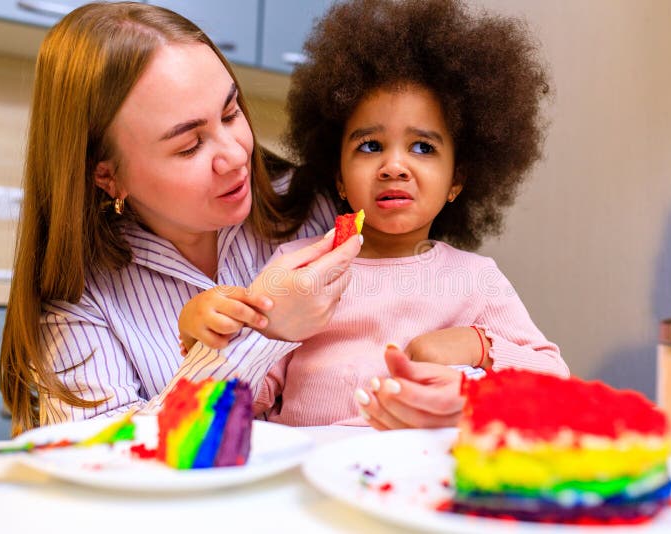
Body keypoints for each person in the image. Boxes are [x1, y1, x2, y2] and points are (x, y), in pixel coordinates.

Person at [179, 0, 569, 428]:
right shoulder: (302, 267)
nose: (394, 166)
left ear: (457, 179)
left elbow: (556, 381)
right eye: (370, 146)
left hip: (417, 480)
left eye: (423, 147)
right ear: (339, 177)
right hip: (308, 478)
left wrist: (479, 345)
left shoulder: (476, 280)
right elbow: (240, 404)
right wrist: (214, 337)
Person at [0, 2, 362, 436]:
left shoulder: (319, 204)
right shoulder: (77, 301)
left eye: (231, 113)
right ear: (107, 174)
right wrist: (263, 331)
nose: (235, 155)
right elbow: (100, 455)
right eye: (189, 146)